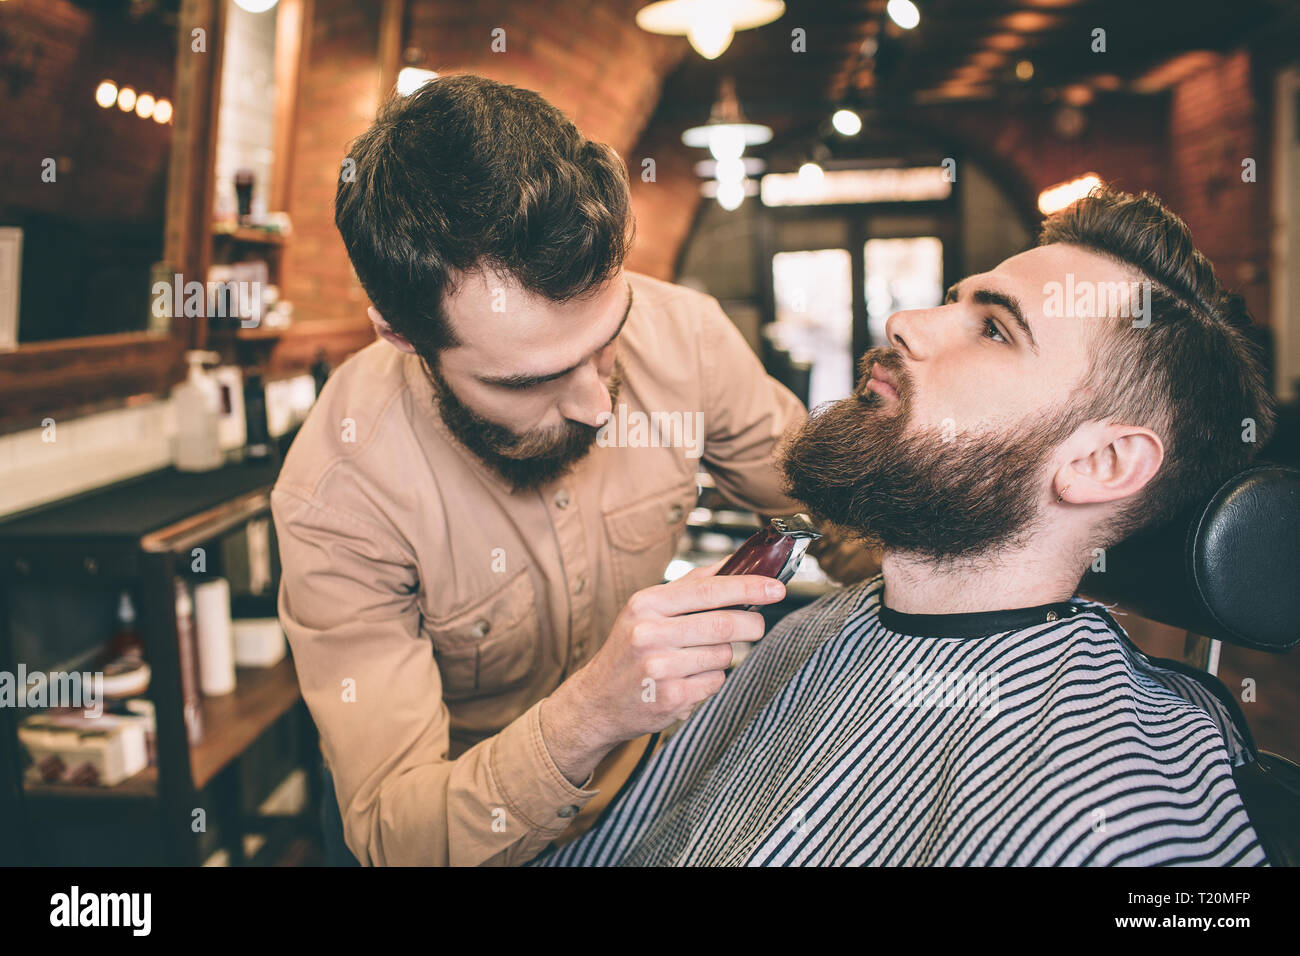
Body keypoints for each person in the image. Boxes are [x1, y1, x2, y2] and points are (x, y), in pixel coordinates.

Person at [530, 186, 1276, 866]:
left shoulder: (1119, 814)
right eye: (955, 300)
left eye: (993, 330)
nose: (904, 322)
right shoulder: (806, 635)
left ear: (1103, 462)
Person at [271, 73, 877, 867]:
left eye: (607, 338)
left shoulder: (685, 337)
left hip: (645, 800)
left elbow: (835, 507)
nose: (597, 404)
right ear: (401, 334)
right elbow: (396, 834)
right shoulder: (339, 494)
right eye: (526, 381)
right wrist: (592, 713)